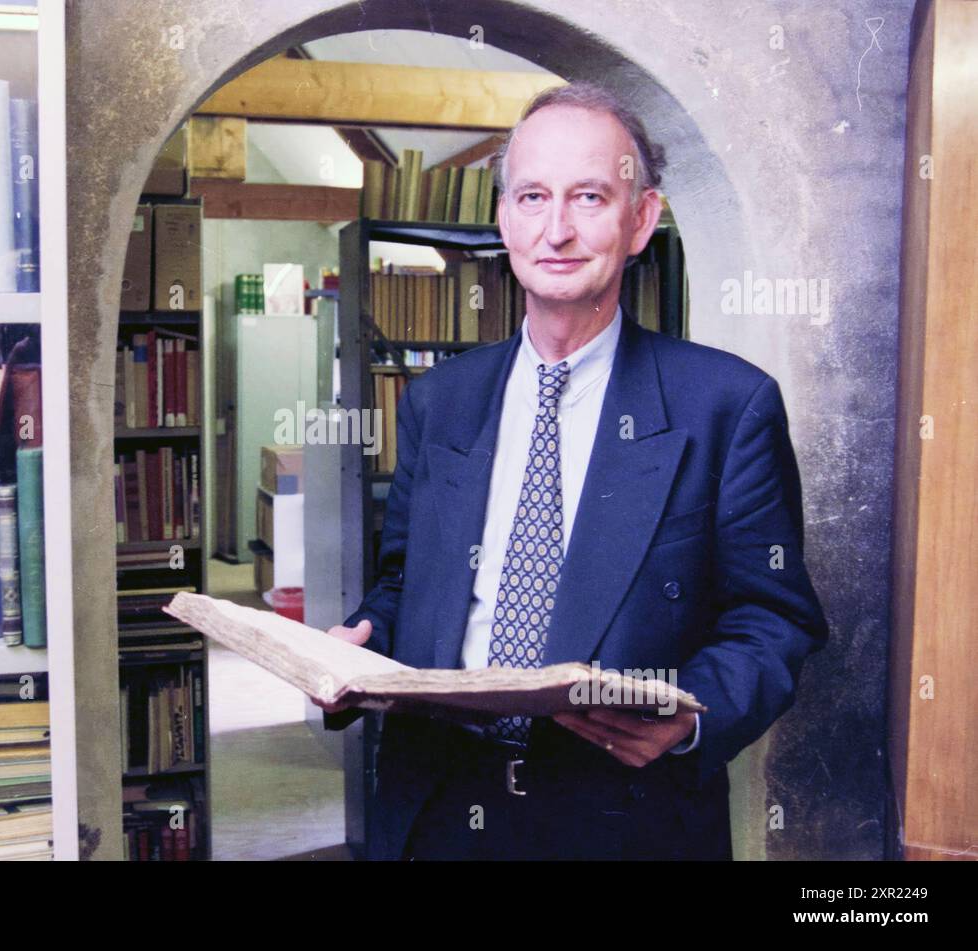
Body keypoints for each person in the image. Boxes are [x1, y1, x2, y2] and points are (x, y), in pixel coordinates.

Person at [318, 82, 829, 860]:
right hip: (436, 810)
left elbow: (774, 618)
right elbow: (404, 585)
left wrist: (693, 716)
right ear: (504, 221)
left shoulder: (728, 405)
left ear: (640, 220)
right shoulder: (438, 404)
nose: (556, 229)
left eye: (589, 196)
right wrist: (361, 640)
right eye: (532, 196)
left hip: (626, 820)